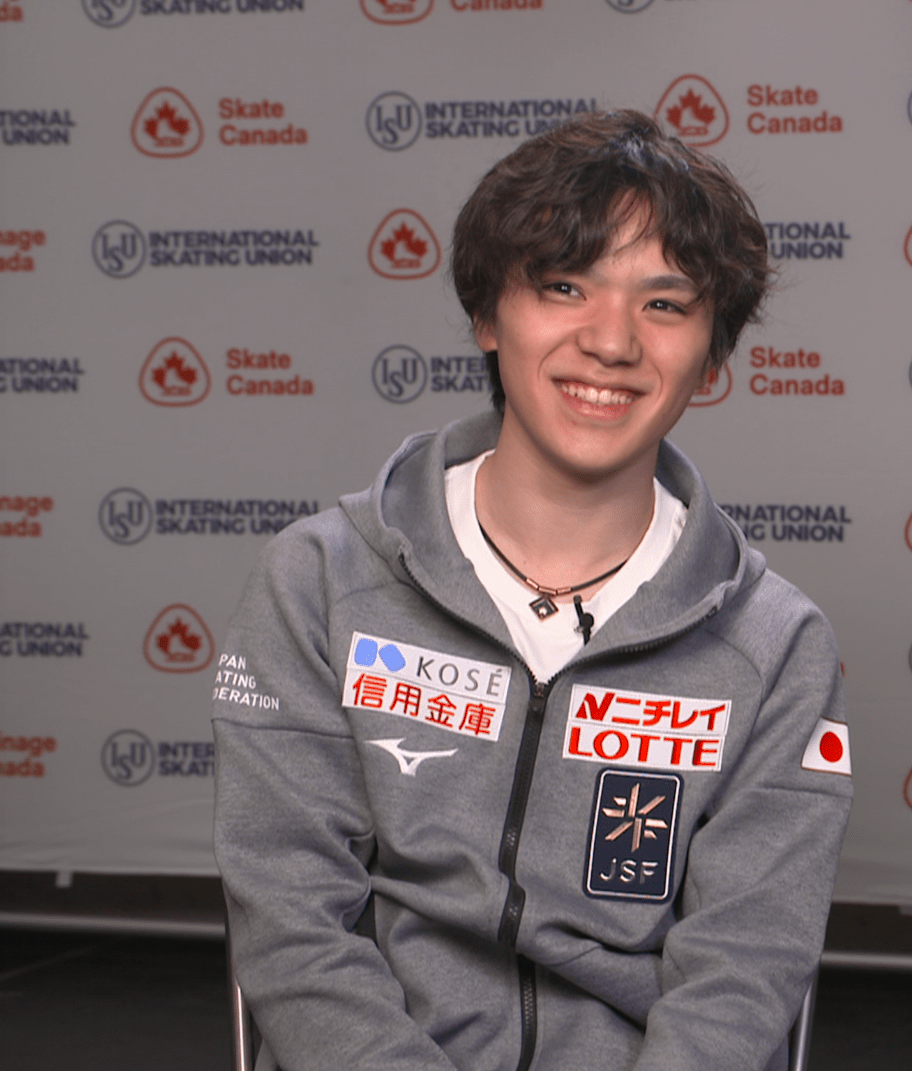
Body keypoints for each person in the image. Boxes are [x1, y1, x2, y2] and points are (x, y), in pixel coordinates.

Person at [214, 110, 852, 1071]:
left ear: (711, 357)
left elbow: (745, 968)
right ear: (487, 313)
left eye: (665, 305)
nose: (611, 342)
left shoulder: (774, 647)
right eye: (565, 287)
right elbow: (293, 918)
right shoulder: (321, 582)